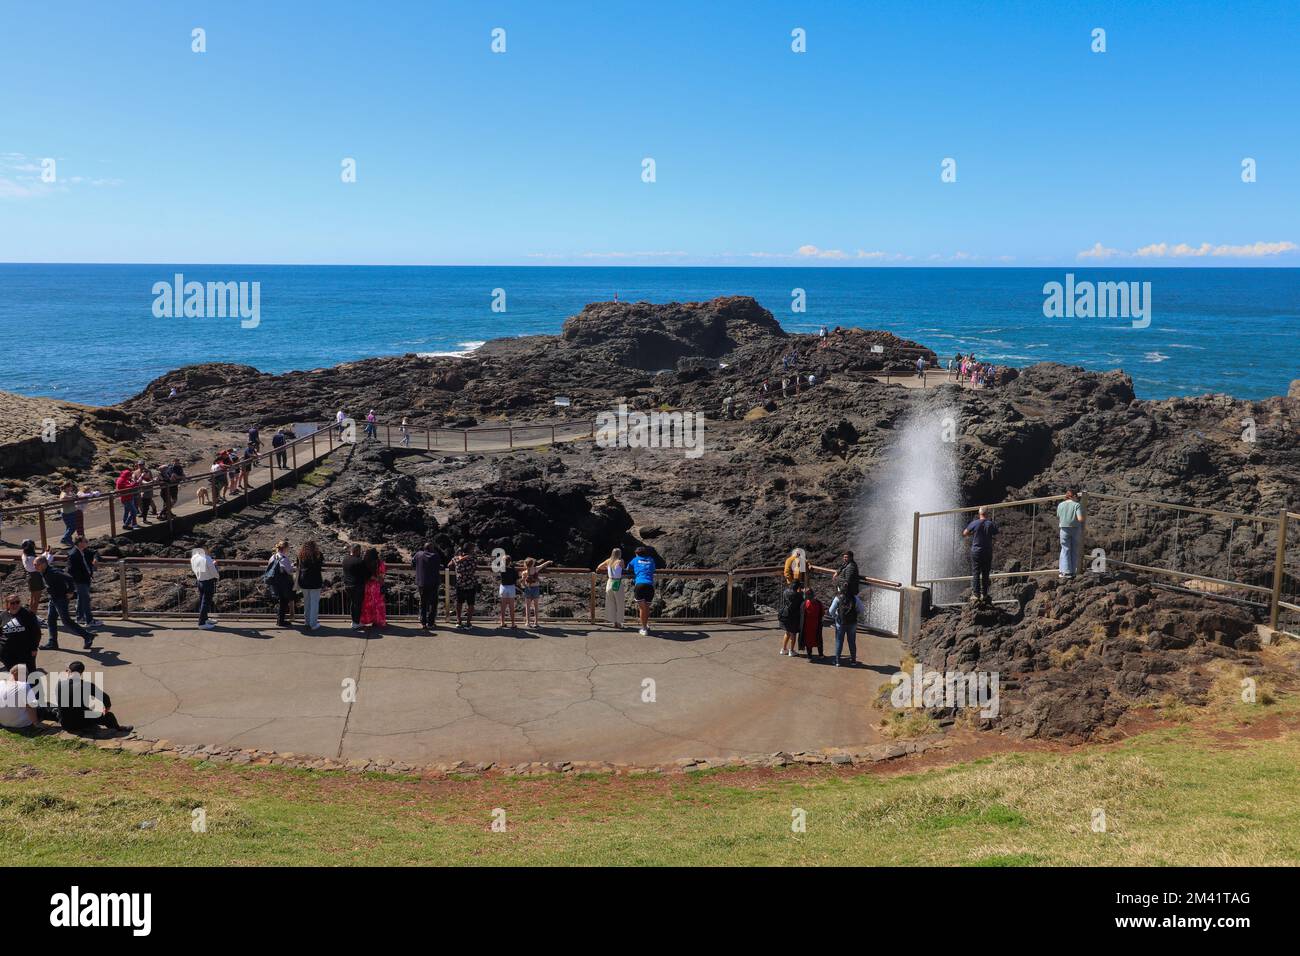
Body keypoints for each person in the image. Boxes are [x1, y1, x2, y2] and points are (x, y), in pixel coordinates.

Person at [54, 661, 130, 733]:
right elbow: (105, 698)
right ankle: (117, 729)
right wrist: (106, 708)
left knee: (54, 708)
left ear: (68, 671)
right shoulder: (87, 685)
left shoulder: (59, 684)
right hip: (80, 723)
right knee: (109, 716)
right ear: (81, 673)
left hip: (65, 724)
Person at [36, 555, 93, 650]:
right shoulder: (44, 572)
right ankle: (52, 642)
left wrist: (71, 591)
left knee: (66, 621)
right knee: (51, 620)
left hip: (61, 599)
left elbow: (69, 578)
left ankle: (87, 636)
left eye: (36, 565)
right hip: (53, 599)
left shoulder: (53, 572)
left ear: (43, 564)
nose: (35, 567)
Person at [962, 505, 998, 603]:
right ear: (987, 513)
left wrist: (972, 533)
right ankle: (985, 594)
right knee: (986, 573)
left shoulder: (974, 523)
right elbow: (996, 532)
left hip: (976, 551)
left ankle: (976, 594)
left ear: (979, 513)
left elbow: (965, 533)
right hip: (987, 551)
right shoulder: (990, 524)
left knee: (976, 572)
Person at [0, 594, 42, 674]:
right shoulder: (3, 615)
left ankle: (34, 686)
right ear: (7, 604)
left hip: (25, 651)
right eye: (12, 603)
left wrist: (34, 648)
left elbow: (36, 633)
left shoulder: (28, 614)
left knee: (31, 674)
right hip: (7, 653)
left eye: (17, 602)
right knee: (15, 675)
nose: (15, 605)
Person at [67, 535, 100, 629]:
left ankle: (80, 618)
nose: (87, 542)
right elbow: (71, 570)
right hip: (80, 580)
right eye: (85, 541)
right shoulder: (73, 554)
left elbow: (95, 552)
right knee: (85, 599)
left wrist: (95, 559)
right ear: (80, 543)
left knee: (81, 599)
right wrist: (79, 580)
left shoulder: (84, 551)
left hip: (85, 579)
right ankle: (89, 620)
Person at [626, 546, 657, 637]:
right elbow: (653, 569)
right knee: (646, 607)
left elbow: (628, 568)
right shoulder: (651, 559)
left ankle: (643, 628)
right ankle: (645, 624)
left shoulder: (635, 560)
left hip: (640, 584)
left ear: (636, 554)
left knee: (642, 608)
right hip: (649, 585)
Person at [828, 591, 866, 666]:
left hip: (840, 623)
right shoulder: (855, 598)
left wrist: (835, 616)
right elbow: (862, 609)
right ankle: (853, 660)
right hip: (852, 623)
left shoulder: (838, 598)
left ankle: (837, 661)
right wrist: (856, 615)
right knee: (851, 641)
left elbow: (831, 611)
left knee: (839, 641)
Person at [411, 542, 443, 631]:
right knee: (433, 603)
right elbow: (440, 565)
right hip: (433, 583)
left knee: (423, 603)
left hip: (422, 583)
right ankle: (431, 623)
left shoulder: (418, 554)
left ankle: (423, 622)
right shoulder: (436, 556)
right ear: (432, 549)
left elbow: (413, 563)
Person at [265, 540, 296, 627]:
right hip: (283, 583)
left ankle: (280, 620)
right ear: (285, 548)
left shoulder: (273, 556)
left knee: (280, 600)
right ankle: (281, 621)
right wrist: (292, 566)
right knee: (284, 601)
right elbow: (289, 572)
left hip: (274, 582)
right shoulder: (284, 558)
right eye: (288, 548)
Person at [0, 665, 39, 730]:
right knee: (38, 706)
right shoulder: (24, 686)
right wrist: (36, 723)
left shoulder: (1, 683)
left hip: (3, 722)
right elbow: (31, 706)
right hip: (20, 724)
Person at [296, 540, 324, 631]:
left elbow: (298, 566)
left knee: (307, 603)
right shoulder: (318, 554)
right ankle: (313, 624)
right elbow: (320, 564)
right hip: (315, 581)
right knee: (314, 603)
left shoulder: (301, 555)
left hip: (304, 581)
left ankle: (307, 622)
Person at [341, 544, 369, 631]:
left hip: (347, 585)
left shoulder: (345, 559)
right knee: (357, 605)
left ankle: (354, 621)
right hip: (357, 586)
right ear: (357, 551)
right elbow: (367, 574)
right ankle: (356, 623)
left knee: (353, 604)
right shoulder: (359, 561)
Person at [1057, 489, 1085, 578]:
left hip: (1064, 529)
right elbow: (1080, 519)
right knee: (1074, 550)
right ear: (1074, 496)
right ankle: (1072, 572)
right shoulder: (1076, 505)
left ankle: (1064, 572)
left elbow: (1058, 516)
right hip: (1075, 530)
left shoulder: (1060, 505)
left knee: (1065, 549)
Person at [518, 557, 552, 628]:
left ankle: (528, 622)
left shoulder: (524, 572)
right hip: (536, 588)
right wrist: (548, 561)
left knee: (528, 606)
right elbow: (542, 565)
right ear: (533, 563)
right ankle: (536, 622)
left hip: (528, 589)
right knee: (536, 606)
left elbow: (523, 583)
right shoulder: (536, 569)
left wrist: (525, 586)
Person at [191, 546, 220, 629]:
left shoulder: (194, 557)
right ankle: (202, 623)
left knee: (202, 601)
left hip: (200, 581)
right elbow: (213, 571)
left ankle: (205, 619)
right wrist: (216, 572)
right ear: (205, 549)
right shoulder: (207, 558)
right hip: (208, 582)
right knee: (205, 602)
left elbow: (195, 569)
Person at [596, 549, 625, 628]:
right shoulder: (620, 561)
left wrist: (606, 568)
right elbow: (624, 568)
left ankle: (613, 622)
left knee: (611, 602)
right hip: (617, 582)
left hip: (610, 582)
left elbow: (599, 567)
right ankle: (619, 622)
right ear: (619, 554)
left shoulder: (608, 561)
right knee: (619, 603)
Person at [451, 545, 478, 628]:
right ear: (470, 550)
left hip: (460, 584)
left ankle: (459, 621)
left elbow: (449, 565)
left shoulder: (456, 559)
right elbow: (475, 567)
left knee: (459, 603)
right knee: (471, 604)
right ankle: (468, 623)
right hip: (470, 584)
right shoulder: (473, 559)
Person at [360, 547, 387, 629]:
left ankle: (367, 620)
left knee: (367, 604)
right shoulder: (380, 563)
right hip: (376, 586)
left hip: (367, 586)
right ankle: (379, 621)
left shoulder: (365, 563)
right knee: (378, 604)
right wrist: (381, 583)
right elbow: (382, 576)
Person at [21, 539, 50, 612]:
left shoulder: (25, 557)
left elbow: (38, 559)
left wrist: (45, 553)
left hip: (30, 577)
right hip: (36, 578)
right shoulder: (33, 558)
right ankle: (33, 616)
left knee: (32, 597)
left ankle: (30, 614)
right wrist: (48, 553)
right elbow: (46, 561)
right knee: (36, 599)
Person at [778, 580, 803, 657]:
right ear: (798, 587)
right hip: (794, 616)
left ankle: (784, 649)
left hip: (785, 614)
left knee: (787, 632)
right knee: (793, 633)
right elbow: (801, 603)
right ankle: (791, 651)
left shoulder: (785, 592)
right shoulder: (799, 595)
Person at [800, 588, 825, 659]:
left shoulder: (804, 604)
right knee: (819, 639)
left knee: (808, 641)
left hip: (807, 626)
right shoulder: (818, 603)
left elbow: (801, 615)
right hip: (817, 624)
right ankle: (821, 654)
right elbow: (823, 613)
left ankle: (809, 656)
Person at [497, 553, 519, 628]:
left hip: (503, 587)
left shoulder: (502, 569)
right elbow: (516, 577)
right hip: (511, 587)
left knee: (503, 606)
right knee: (511, 606)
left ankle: (502, 622)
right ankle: (513, 623)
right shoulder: (513, 569)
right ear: (510, 561)